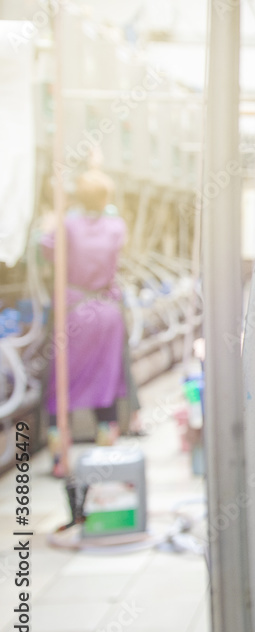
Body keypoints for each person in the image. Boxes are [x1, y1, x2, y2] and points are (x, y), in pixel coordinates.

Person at [42, 169, 128, 477]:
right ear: (106, 198)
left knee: (59, 386)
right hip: (107, 313)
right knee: (106, 384)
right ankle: (106, 458)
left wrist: (56, 215)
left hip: (74, 312)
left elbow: (46, 249)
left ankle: (60, 460)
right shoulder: (116, 226)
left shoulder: (67, 226)